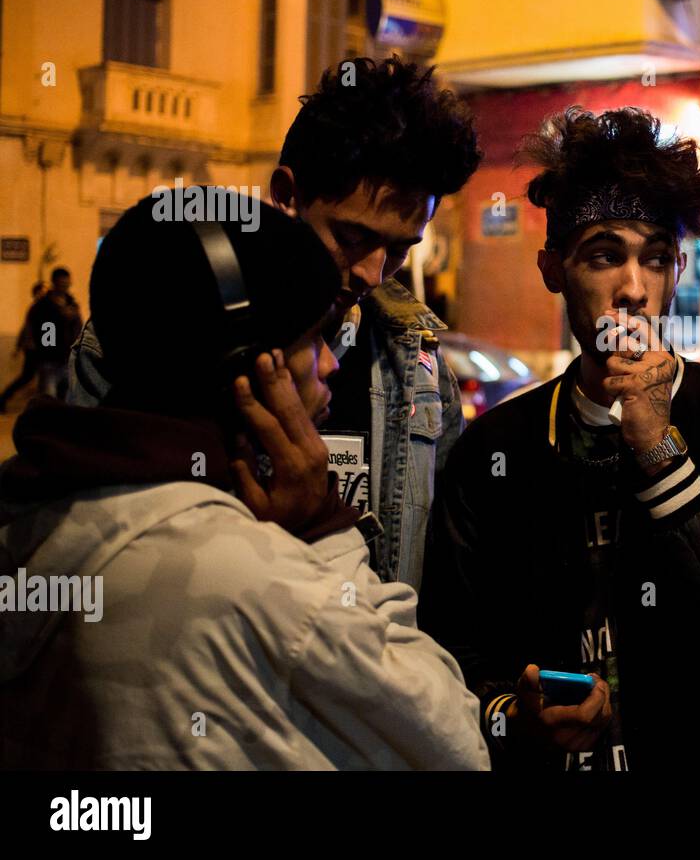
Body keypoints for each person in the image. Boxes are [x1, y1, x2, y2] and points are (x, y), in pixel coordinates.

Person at [0, 190, 489, 770]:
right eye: (313, 341)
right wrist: (325, 531)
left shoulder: (30, 512)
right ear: (247, 368)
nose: (331, 364)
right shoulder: (251, 580)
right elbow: (454, 741)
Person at [421, 106, 700, 771]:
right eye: (605, 256)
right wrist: (513, 718)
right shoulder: (496, 452)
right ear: (553, 268)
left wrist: (662, 454)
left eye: (655, 258)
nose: (632, 290)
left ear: (678, 271)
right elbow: (450, 653)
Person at [68, 56, 482, 589]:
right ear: (286, 197)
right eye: (352, 238)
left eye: (401, 249)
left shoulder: (418, 371)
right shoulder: (140, 344)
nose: (373, 274)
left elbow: (444, 584)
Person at [28, 268, 82, 400]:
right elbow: (46, 334)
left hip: (68, 360)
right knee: (49, 398)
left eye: (67, 283)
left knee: (67, 399)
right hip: (50, 361)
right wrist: (61, 317)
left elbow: (78, 329)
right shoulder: (44, 306)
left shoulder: (72, 303)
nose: (65, 286)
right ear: (54, 283)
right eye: (61, 283)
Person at [0, 282, 46, 412]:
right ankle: (3, 398)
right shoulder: (36, 309)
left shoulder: (39, 308)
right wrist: (20, 346)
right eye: (43, 291)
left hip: (38, 349)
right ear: (37, 293)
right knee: (29, 377)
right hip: (35, 349)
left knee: (34, 377)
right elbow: (29, 329)